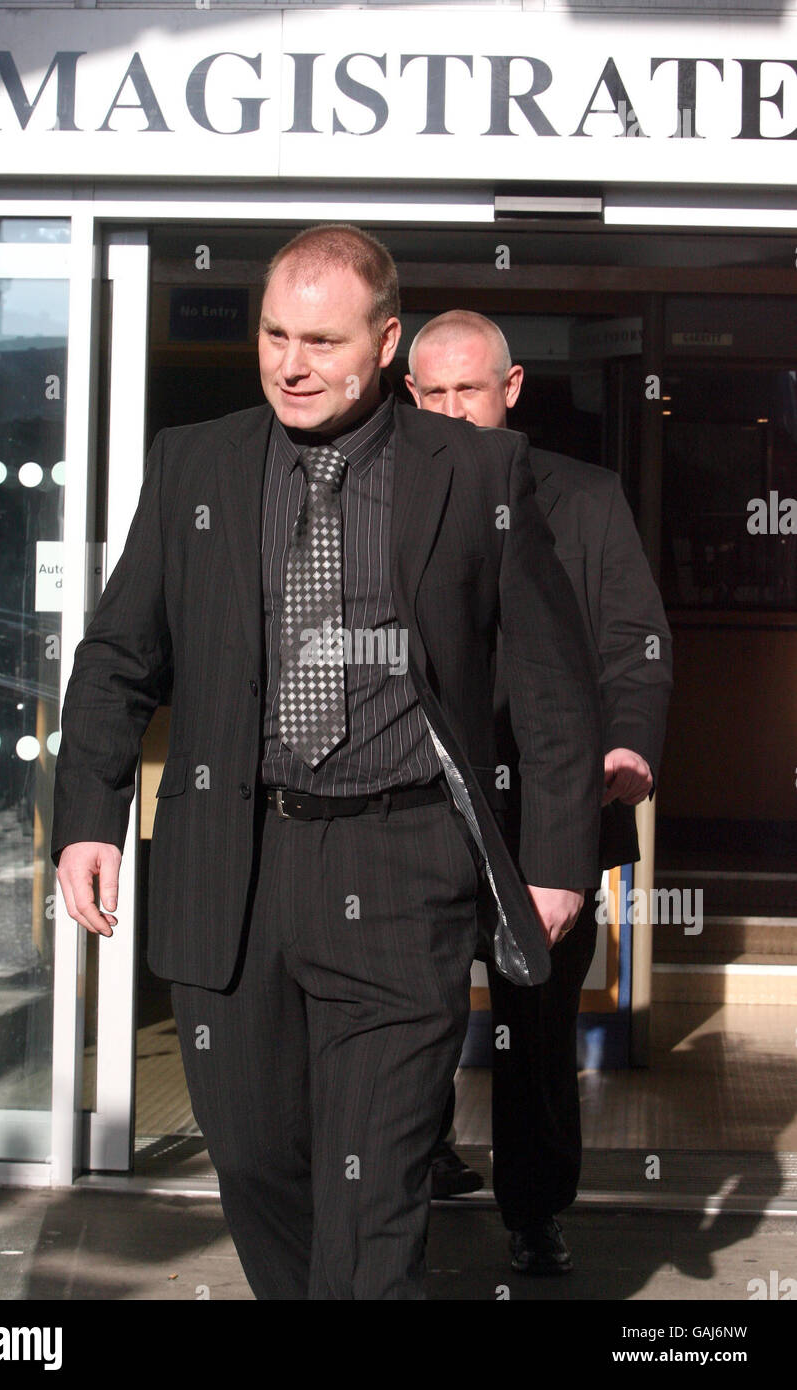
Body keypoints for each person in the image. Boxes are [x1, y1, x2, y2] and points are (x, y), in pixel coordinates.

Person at [51, 229, 603, 1301]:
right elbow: (122, 653)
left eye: (320, 339)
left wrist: (557, 863)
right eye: (272, 335)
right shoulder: (194, 463)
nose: (290, 363)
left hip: (403, 869)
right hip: (236, 861)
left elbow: (549, 683)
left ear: (386, 341)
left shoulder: (478, 470)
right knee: (258, 1158)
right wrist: (88, 815)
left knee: (378, 1185)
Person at [406, 310, 672, 1274]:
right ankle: (414, 1165)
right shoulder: (379, 496)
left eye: (466, 390)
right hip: (413, 816)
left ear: (510, 392)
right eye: (429, 393)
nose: (447, 409)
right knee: (409, 1011)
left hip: (550, 820)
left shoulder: (586, 499)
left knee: (535, 1033)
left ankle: (534, 1211)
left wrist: (630, 747)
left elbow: (636, 644)